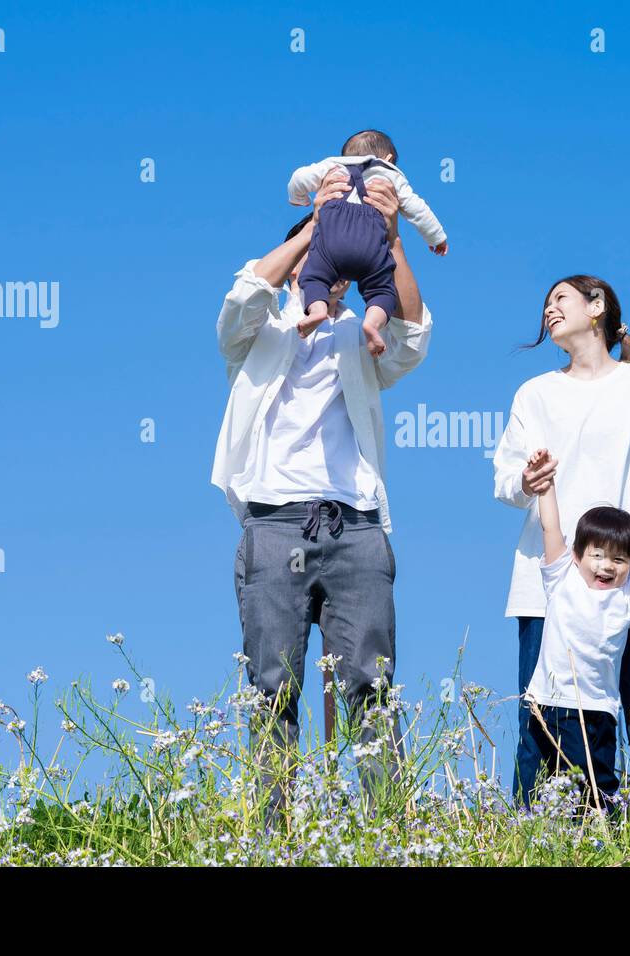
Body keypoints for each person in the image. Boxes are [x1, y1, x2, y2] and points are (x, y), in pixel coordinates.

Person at [210, 163, 433, 817]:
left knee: (370, 685)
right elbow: (243, 294)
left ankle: (387, 833)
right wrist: (315, 224)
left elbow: (413, 338)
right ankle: (272, 835)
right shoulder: (261, 335)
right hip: (275, 525)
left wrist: (389, 237)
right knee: (273, 686)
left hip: (357, 526)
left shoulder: (359, 335)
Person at [493, 275, 630, 808]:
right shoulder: (535, 393)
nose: (548, 310)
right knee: (542, 719)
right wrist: (527, 480)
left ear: (597, 306)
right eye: (544, 304)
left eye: (558, 298)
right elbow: (504, 477)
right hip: (550, 583)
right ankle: (537, 836)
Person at [522, 448, 630, 809]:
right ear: (577, 555)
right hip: (548, 702)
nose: (606, 566)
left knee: (597, 786)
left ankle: (601, 841)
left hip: (597, 711)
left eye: (619, 559)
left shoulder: (628, 598)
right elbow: (550, 526)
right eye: (597, 555)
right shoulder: (562, 578)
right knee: (548, 782)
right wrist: (546, 486)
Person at [288, 129, 448, 355]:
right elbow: (417, 209)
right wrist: (437, 237)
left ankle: (316, 311)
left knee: (314, 277)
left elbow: (299, 178)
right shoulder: (390, 174)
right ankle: (372, 324)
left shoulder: (332, 167)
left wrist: (299, 198)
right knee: (382, 290)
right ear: (389, 158)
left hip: (332, 240)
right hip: (370, 244)